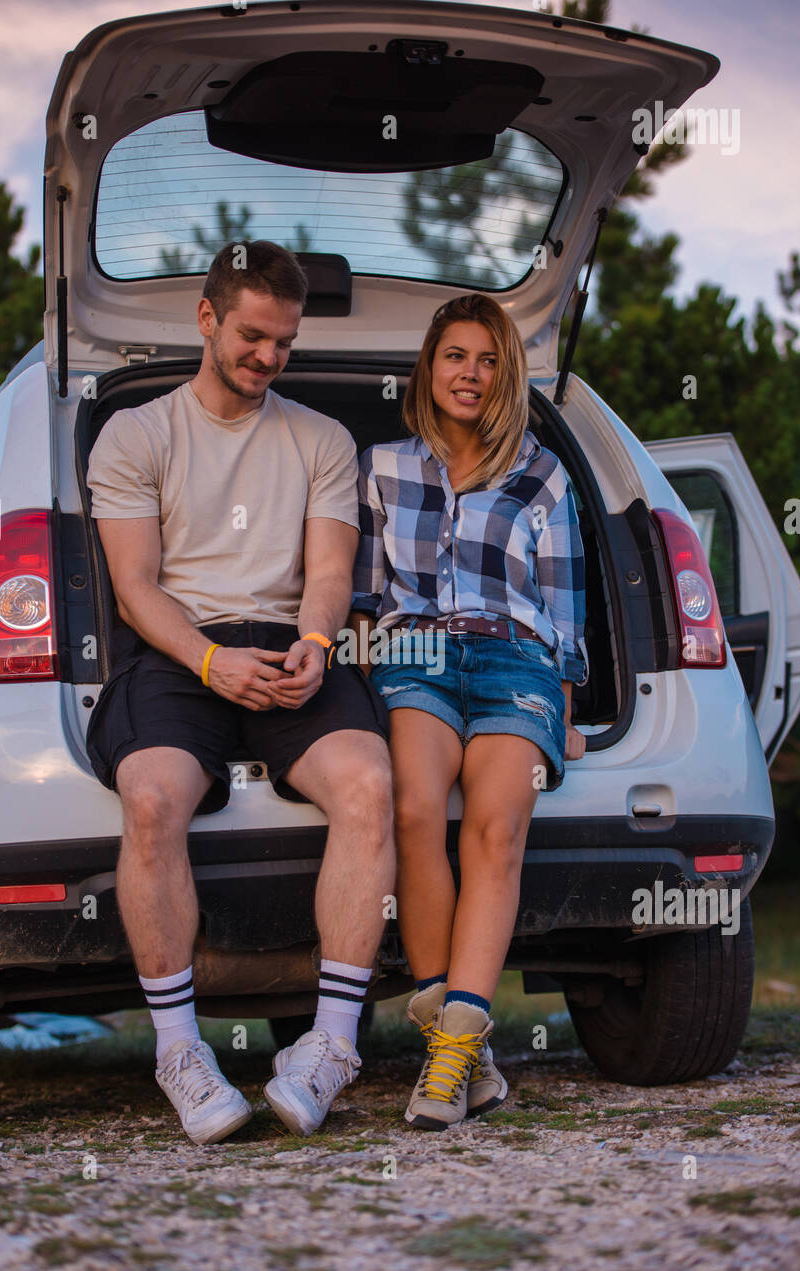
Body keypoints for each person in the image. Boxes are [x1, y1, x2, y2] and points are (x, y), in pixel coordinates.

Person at [85, 240, 394, 1143]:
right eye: (252, 336)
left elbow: (331, 570)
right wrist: (211, 663)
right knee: (150, 798)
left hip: (289, 644)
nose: (267, 358)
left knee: (370, 786)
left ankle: (330, 1047)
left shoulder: (321, 438)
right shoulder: (134, 433)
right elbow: (137, 587)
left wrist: (312, 640)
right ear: (207, 319)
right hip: (180, 650)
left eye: (284, 344)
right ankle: (179, 1052)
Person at [349, 293, 588, 1130]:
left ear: (506, 375)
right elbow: (363, 593)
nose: (471, 374)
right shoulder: (379, 465)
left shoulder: (541, 474)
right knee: (415, 810)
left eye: (488, 360)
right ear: (428, 365)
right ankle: (457, 1046)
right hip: (413, 651)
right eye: (456, 355)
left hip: (515, 659)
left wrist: (563, 706)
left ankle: (449, 1061)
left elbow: (562, 599)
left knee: (494, 831)